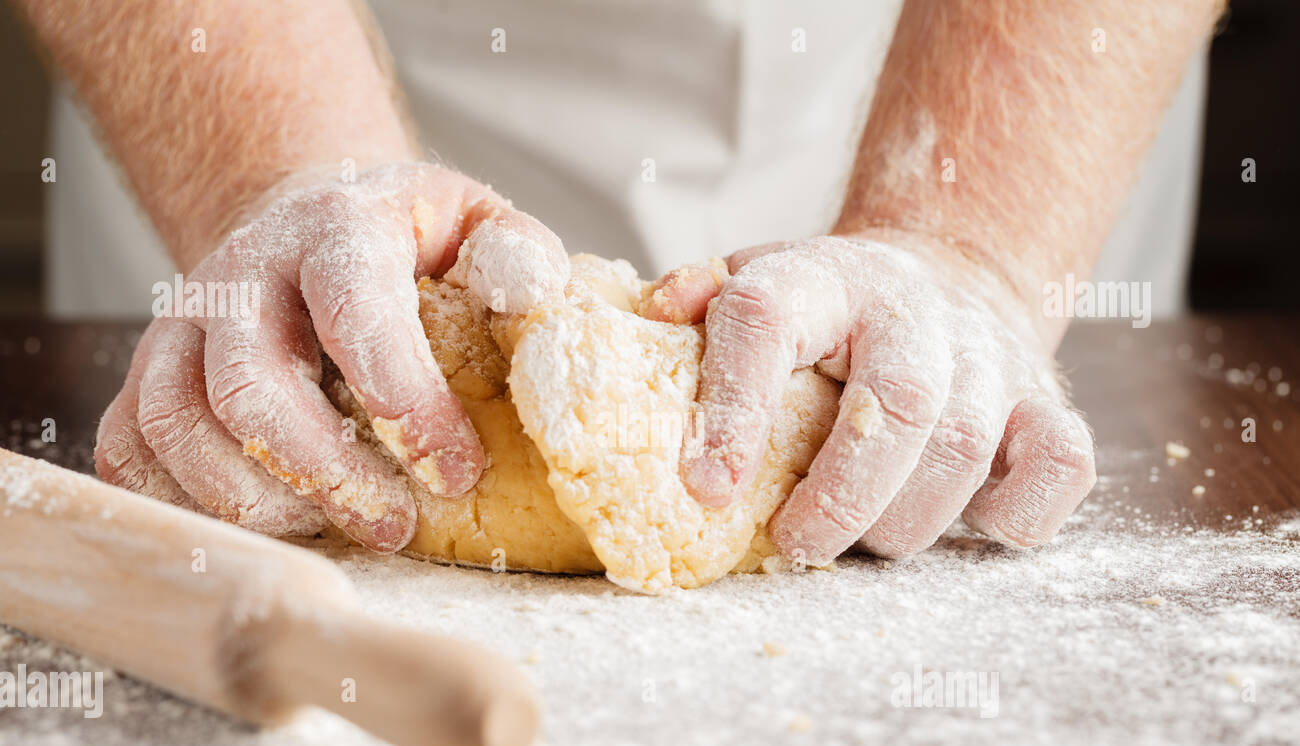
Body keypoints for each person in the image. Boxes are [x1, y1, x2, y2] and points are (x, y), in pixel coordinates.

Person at [18, 0, 1223, 563]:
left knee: (926, 402)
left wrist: (968, 246)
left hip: (975, 76)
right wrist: (275, 171)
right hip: (285, 55)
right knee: (305, 390)